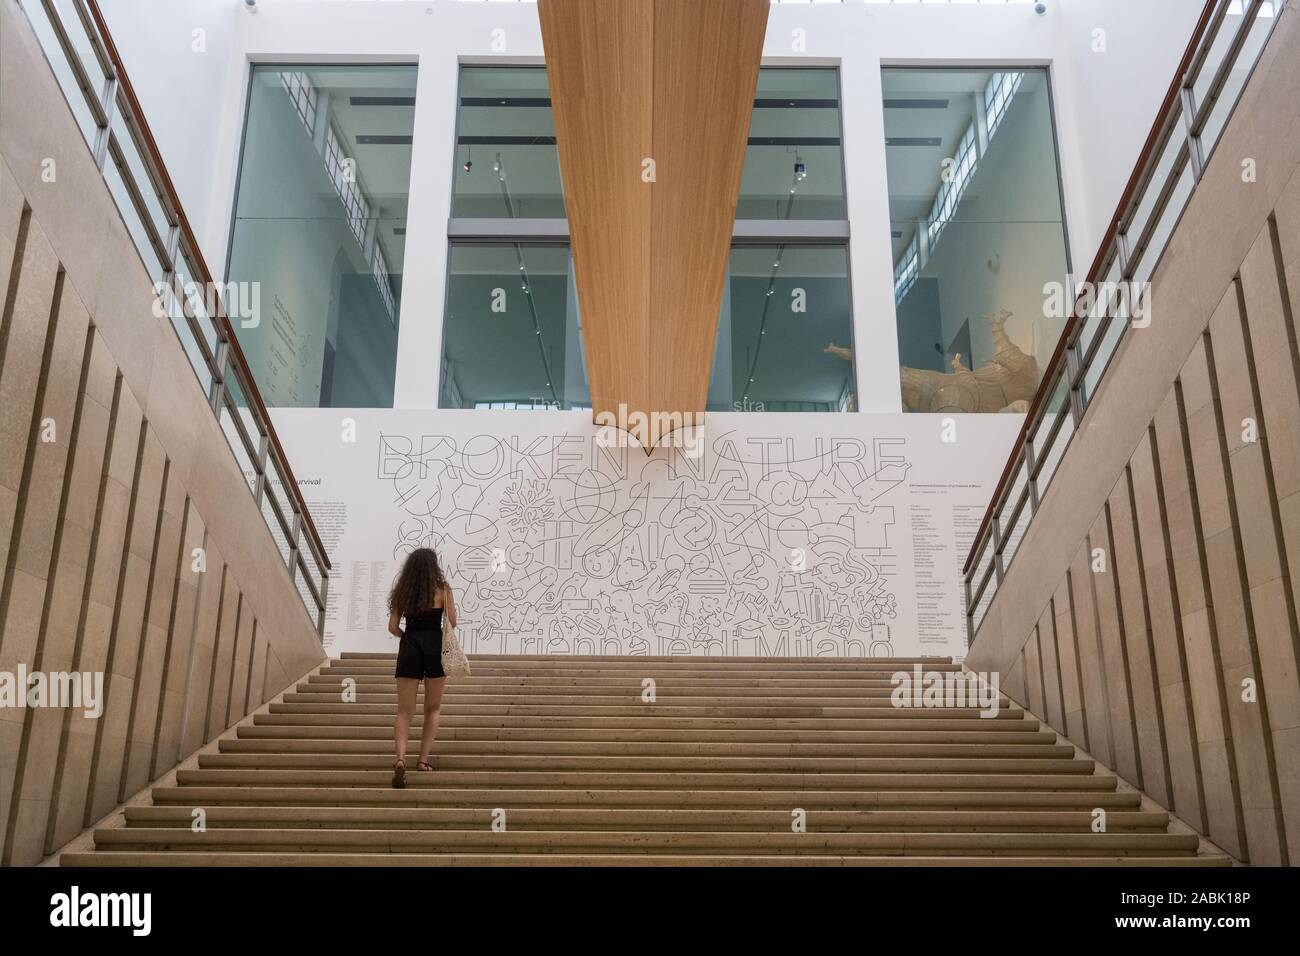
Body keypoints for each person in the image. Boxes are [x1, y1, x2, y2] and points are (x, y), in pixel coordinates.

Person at [386, 547, 457, 789]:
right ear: (433, 566)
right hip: (434, 647)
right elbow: (452, 622)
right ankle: (423, 761)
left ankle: (400, 760)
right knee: (433, 708)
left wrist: (408, 636)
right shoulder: (443, 589)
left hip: (410, 646)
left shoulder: (402, 592)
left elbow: (393, 627)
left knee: (404, 711)